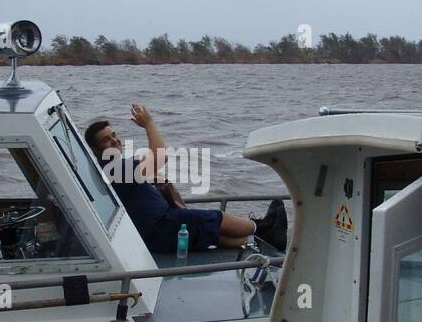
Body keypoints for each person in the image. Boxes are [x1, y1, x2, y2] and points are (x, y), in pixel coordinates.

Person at [84, 105, 286, 253]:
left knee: (213, 233)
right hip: (161, 227)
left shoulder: (114, 166)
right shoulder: (115, 166)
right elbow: (160, 155)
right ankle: (261, 226)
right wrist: (149, 124)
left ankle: (261, 240)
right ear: (95, 149)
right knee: (217, 217)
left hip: (157, 228)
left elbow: (143, 168)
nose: (114, 140)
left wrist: (151, 178)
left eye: (114, 134)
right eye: (106, 139)